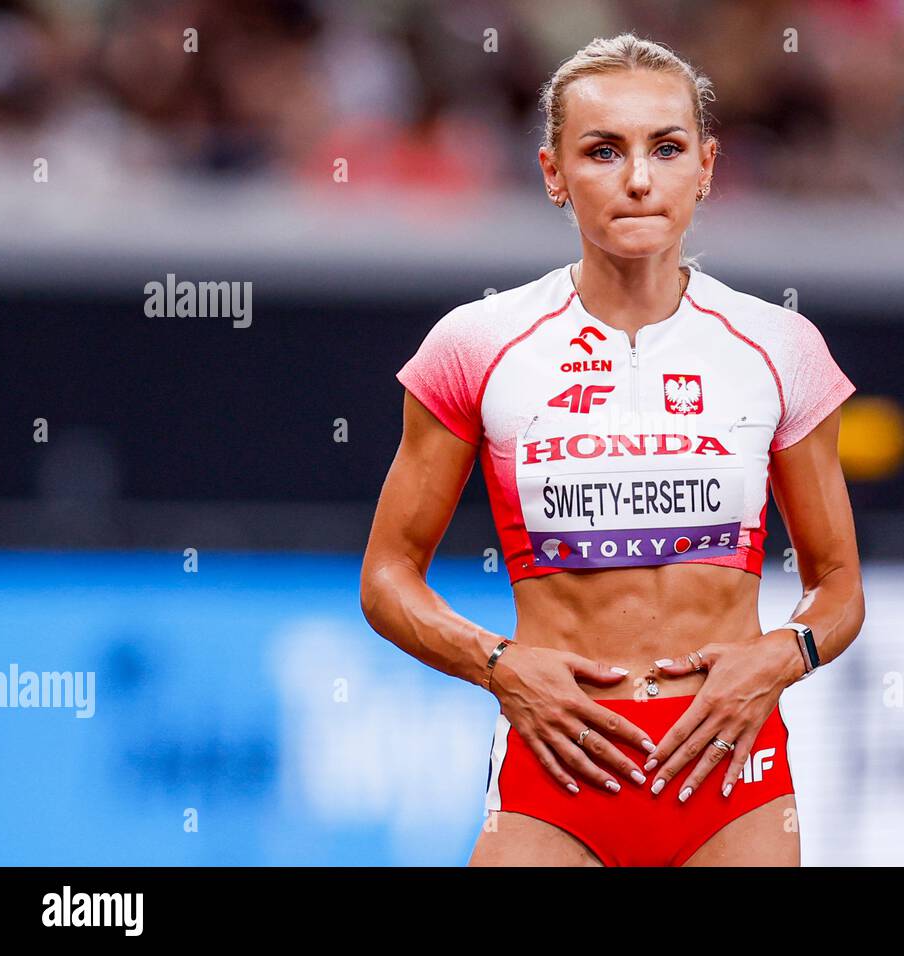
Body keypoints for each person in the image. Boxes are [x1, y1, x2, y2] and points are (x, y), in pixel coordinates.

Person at [359, 33, 865, 867]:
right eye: (602, 151)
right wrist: (501, 665)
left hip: (734, 779)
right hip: (554, 780)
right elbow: (386, 576)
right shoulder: (477, 343)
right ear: (554, 172)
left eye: (665, 148)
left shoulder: (780, 346)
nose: (638, 177)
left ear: (705, 166)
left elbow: (839, 583)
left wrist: (783, 654)